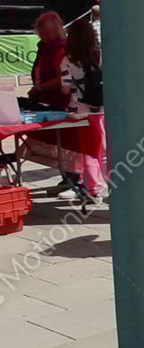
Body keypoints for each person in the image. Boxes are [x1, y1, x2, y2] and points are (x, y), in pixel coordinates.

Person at [24, 11, 81, 199]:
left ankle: (75, 180)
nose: (44, 37)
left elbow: (62, 78)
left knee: (69, 143)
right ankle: (68, 177)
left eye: (47, 33)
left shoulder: (60, 49)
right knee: (61, 141)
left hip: (62, 103)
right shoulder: (46, 47)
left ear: (56, 31)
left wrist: (39, 88)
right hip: (49, 101)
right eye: (41, 33)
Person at [60, 19, 107, 204]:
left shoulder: (68, 59)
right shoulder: (101, 55)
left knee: (88, 152)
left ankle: (93, 190)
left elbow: (65, 88)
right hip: (103, 109)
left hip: (80, 111)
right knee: (104, 150)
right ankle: (112, 185)